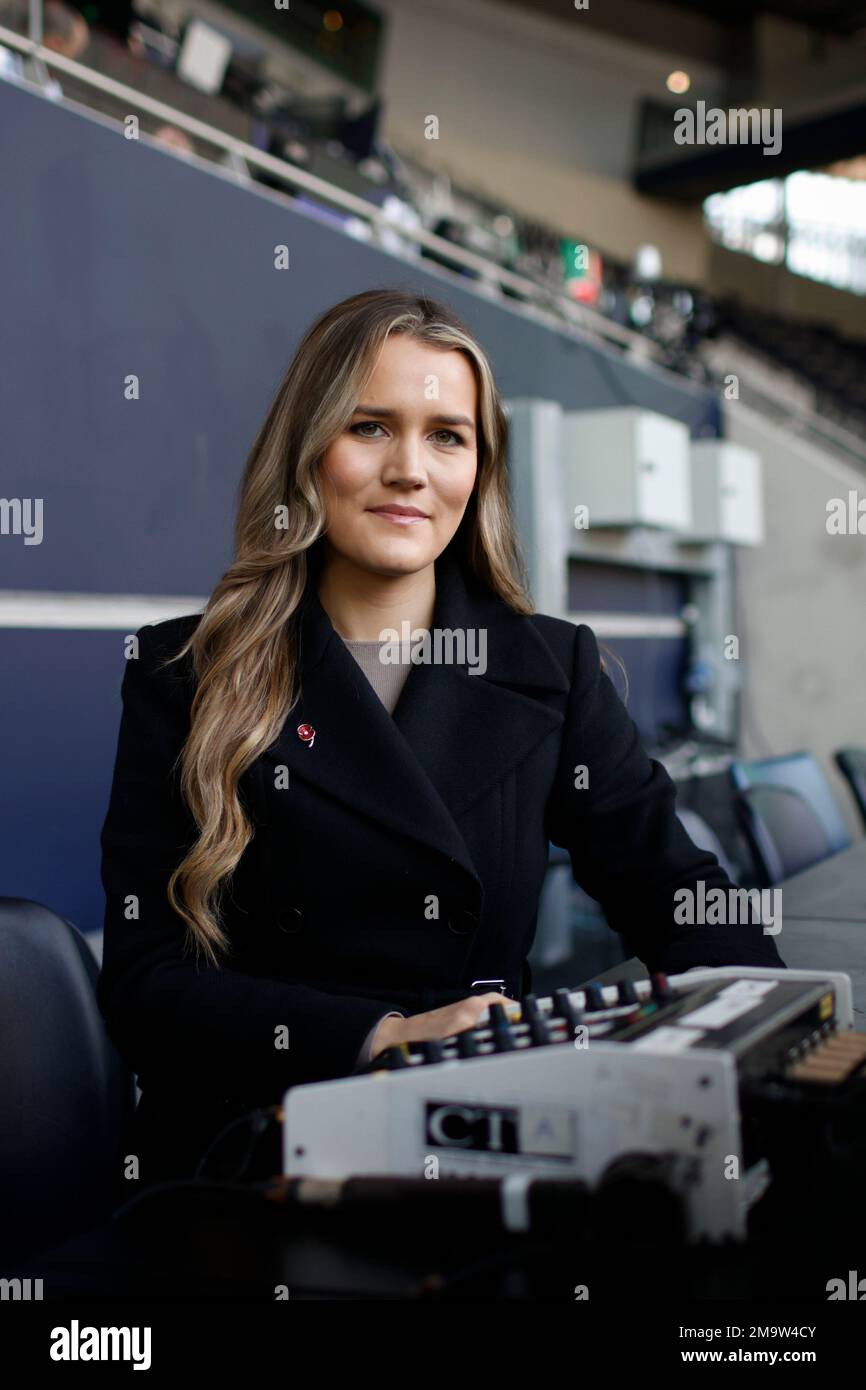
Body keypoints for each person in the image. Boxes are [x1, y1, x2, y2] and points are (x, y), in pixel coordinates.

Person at [97, 287, 785, 1184]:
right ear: (307, 450)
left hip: (486, 1136)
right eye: (371, 427)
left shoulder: (552, 667)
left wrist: (783, 1027)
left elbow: (675, 890)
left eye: (447, 436)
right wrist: (382, 1038)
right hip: (257, 1144)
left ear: (479, 470)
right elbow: (146, 983)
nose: (411, 470)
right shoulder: (182, 673)